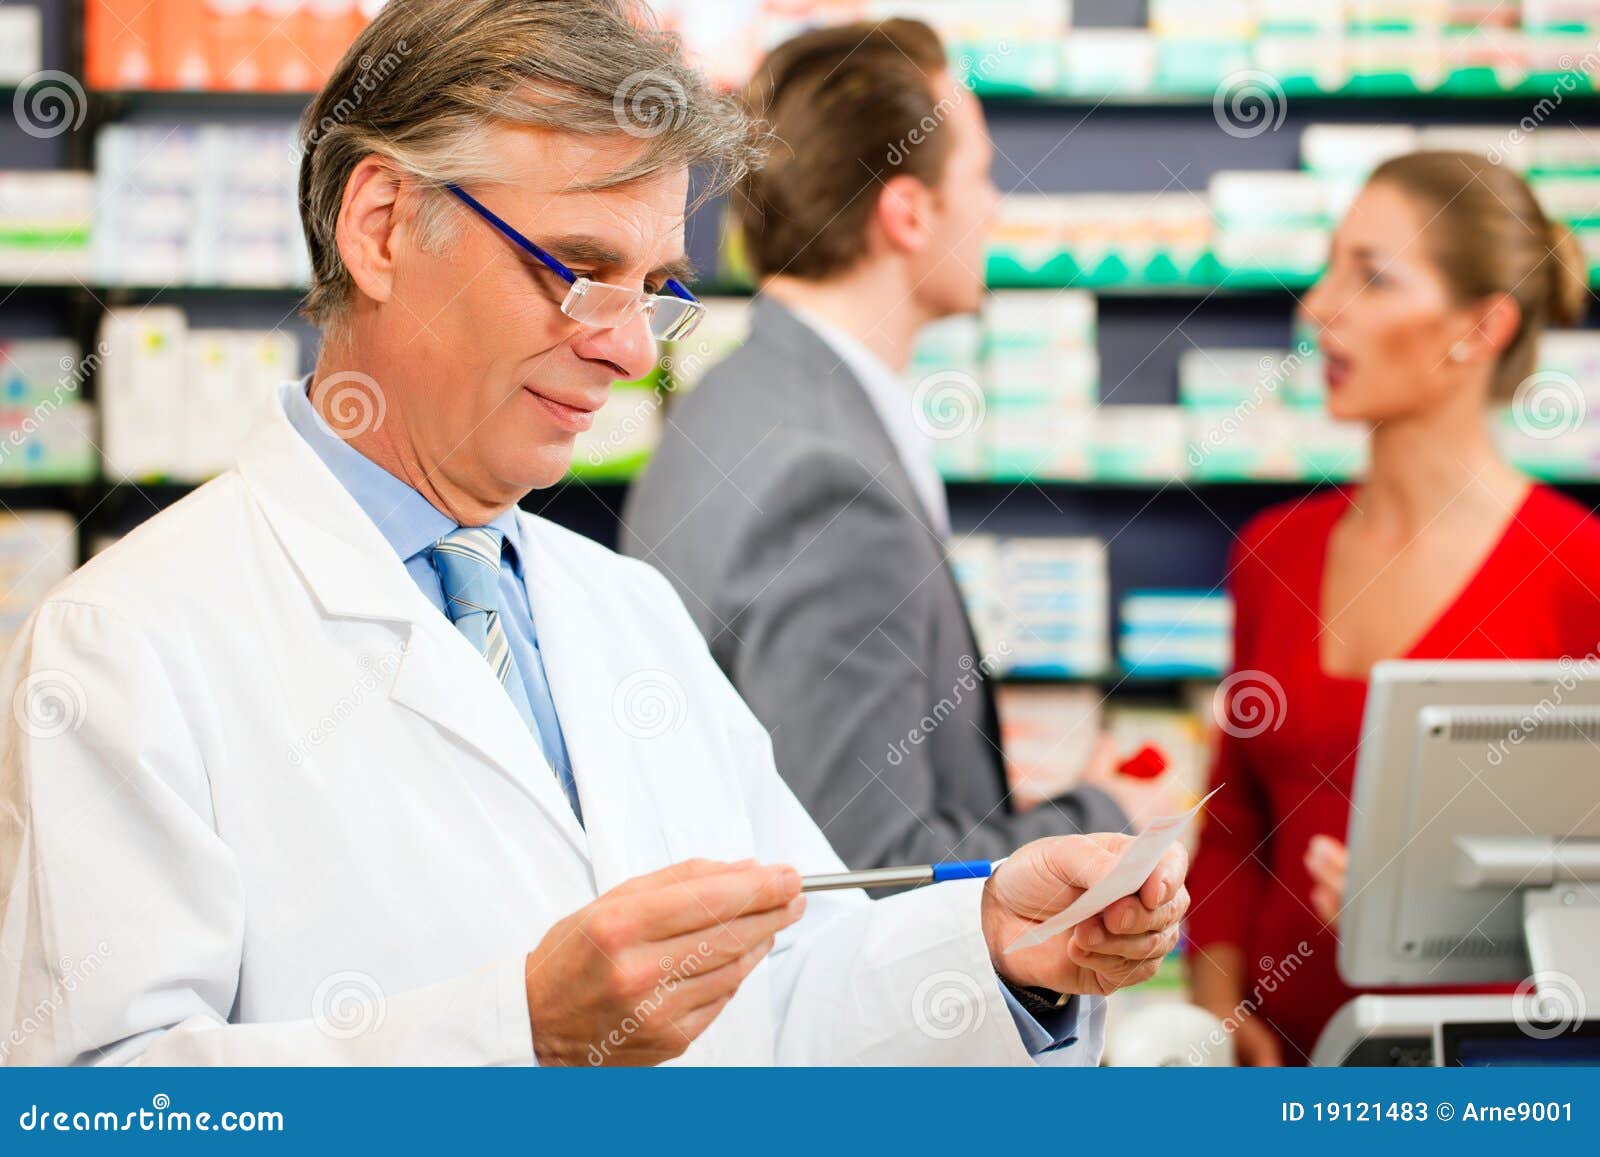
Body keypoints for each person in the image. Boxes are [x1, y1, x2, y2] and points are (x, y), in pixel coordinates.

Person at [0, 0, 1188, 1067]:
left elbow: (786, 988)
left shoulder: (622, 607)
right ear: (381, 225)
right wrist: (513, 1029)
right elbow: (102, 1107)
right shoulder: (125, 642)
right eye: (574, 267)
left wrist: (985, 946)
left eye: (653, 288)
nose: (625, 348)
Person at [621, 19, 1160, 879]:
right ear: (907, 212)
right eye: (979, 177)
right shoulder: (826, 482)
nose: (994, 207)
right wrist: (1102, 814)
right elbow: (868, 874)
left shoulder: (726, 399)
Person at [1186, 149, 1600, 1066]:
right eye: (1330, 268)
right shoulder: (1272, 553)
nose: (1318, 308)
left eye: (1371, 277)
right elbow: (1234, 827)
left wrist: (1431, 918)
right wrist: (1215, 1011)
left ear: (1482, 326)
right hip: (1272, 1075)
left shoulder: (1580, 572)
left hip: (1489, 1084)